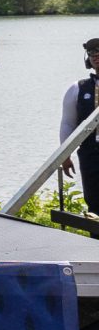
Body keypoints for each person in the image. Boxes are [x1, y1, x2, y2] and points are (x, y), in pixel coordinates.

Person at [60, 40, 99, 210]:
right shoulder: (77, 88)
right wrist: (65, 155)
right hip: (90, 153)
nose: (96, 55)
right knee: (94, 202)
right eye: (91, 53)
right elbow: (68, 123)